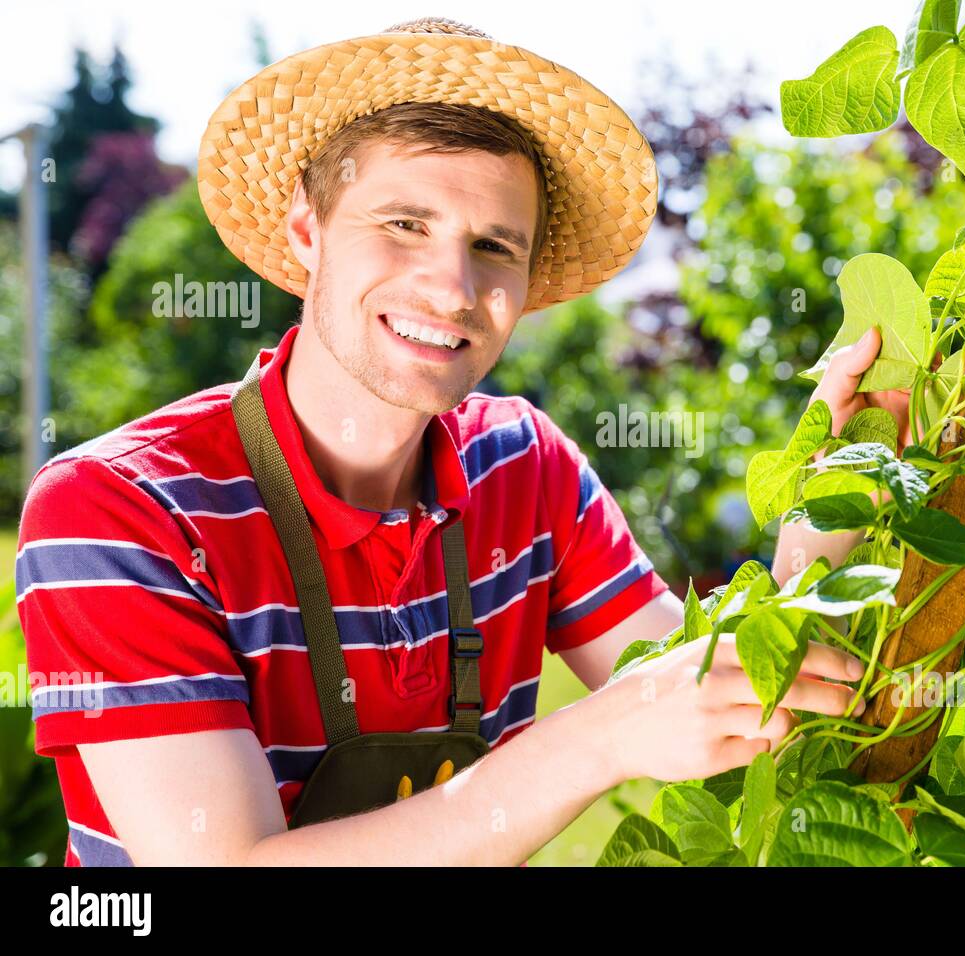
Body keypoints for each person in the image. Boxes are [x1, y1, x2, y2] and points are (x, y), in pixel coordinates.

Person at [15, 16, 907, 867]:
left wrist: (833, 489)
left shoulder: (525, 466)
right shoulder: (118, 511)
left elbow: (713, 701)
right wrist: (601, 737)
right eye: (404, 224)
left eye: (493, 245)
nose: (451, 287)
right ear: (305, 232)